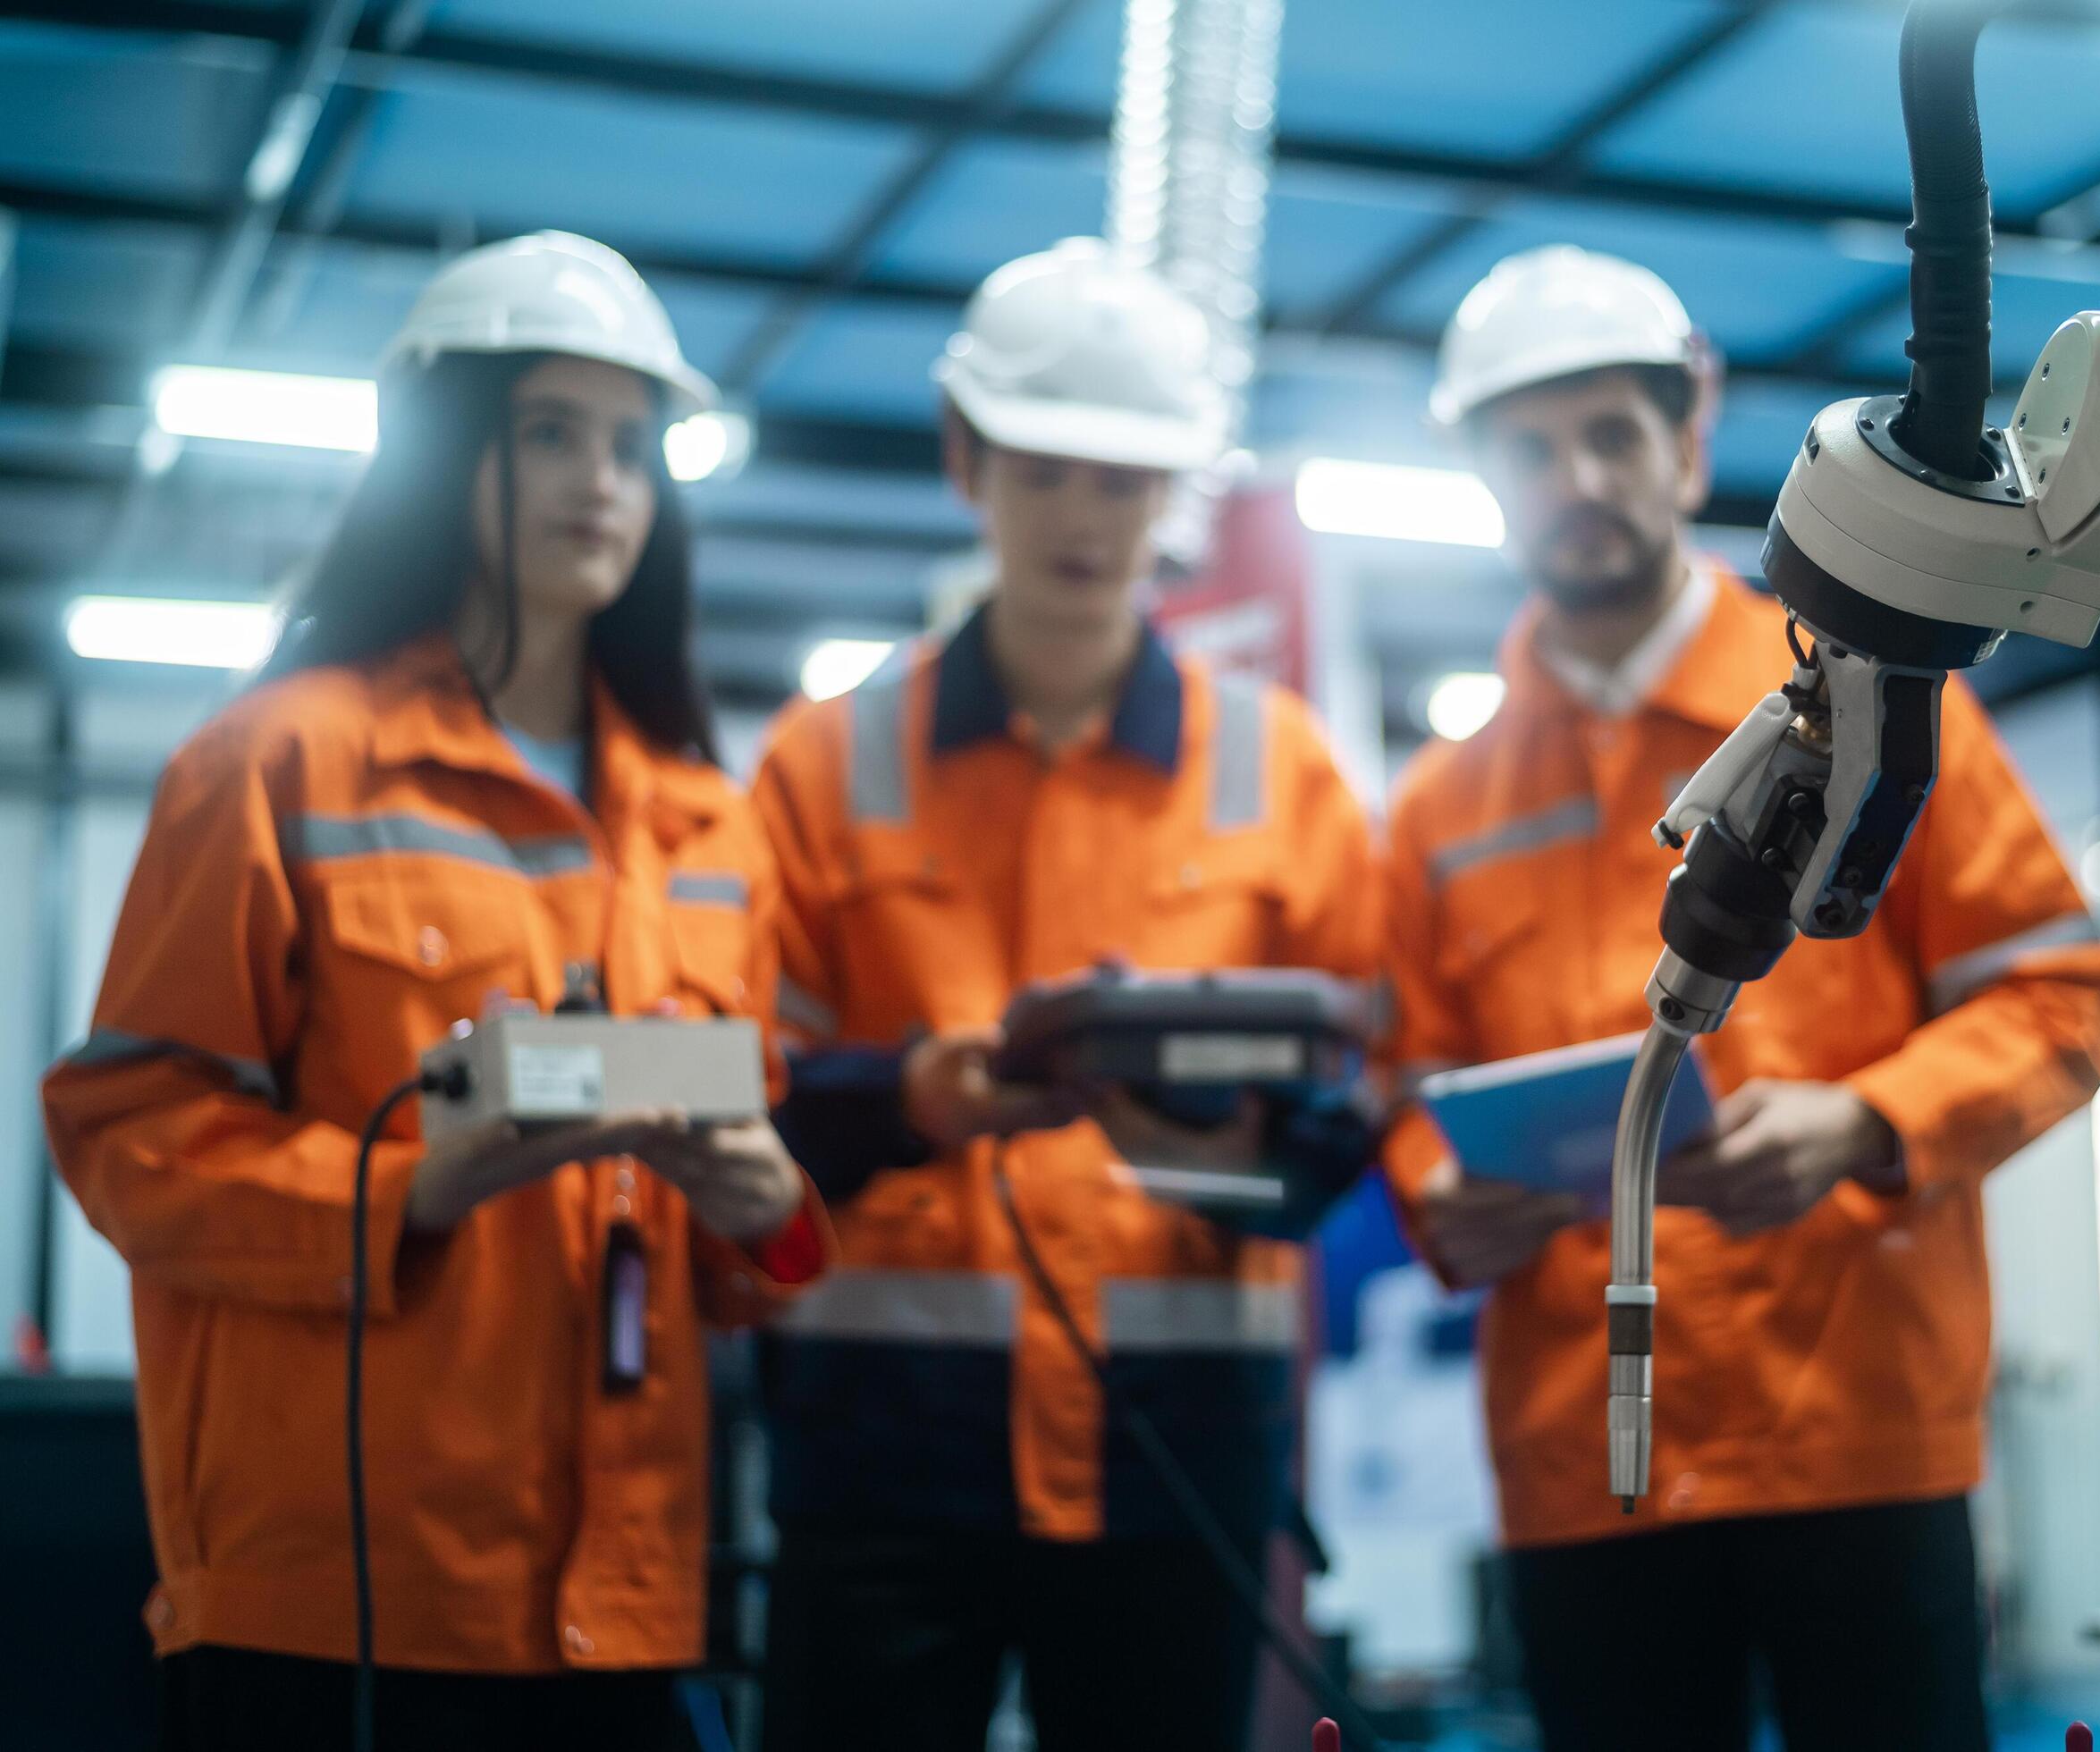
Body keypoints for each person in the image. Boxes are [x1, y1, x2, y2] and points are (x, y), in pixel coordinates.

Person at [42, 232, 827, 1752]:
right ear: (445, 453)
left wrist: (759, 1198)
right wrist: (411, 1188)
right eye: (548, 434)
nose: (599, 481)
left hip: (629, 1600)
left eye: (628, 444)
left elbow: (760, 1249)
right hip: (334, 1598)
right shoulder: (274, 761)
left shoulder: (707, 823)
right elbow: (125, 1136)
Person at [1381, 245, 2100, 1752]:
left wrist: (1862, 1122)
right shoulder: (1437, 806)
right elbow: (1405, 1084)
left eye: (1611, 432)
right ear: (1480, 471)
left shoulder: (1878, 705)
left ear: (1688, 433)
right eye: (1530, 447)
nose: (1576, 476)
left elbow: (2055, 996)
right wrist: (1439, 1201)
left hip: (1853, 1430)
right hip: (1584, 1459)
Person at [750, 238, 1380, 1752]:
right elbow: (743, 1090)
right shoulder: (823, 764)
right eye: (1046, 471)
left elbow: (1358, 1104)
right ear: (968, 459)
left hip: (1172, 1453)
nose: (1086, 520)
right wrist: (910, 1095)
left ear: (1175, 492)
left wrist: (1224, 1130)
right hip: (880, 1450)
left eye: (1124, 478)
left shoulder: (1281, 770)